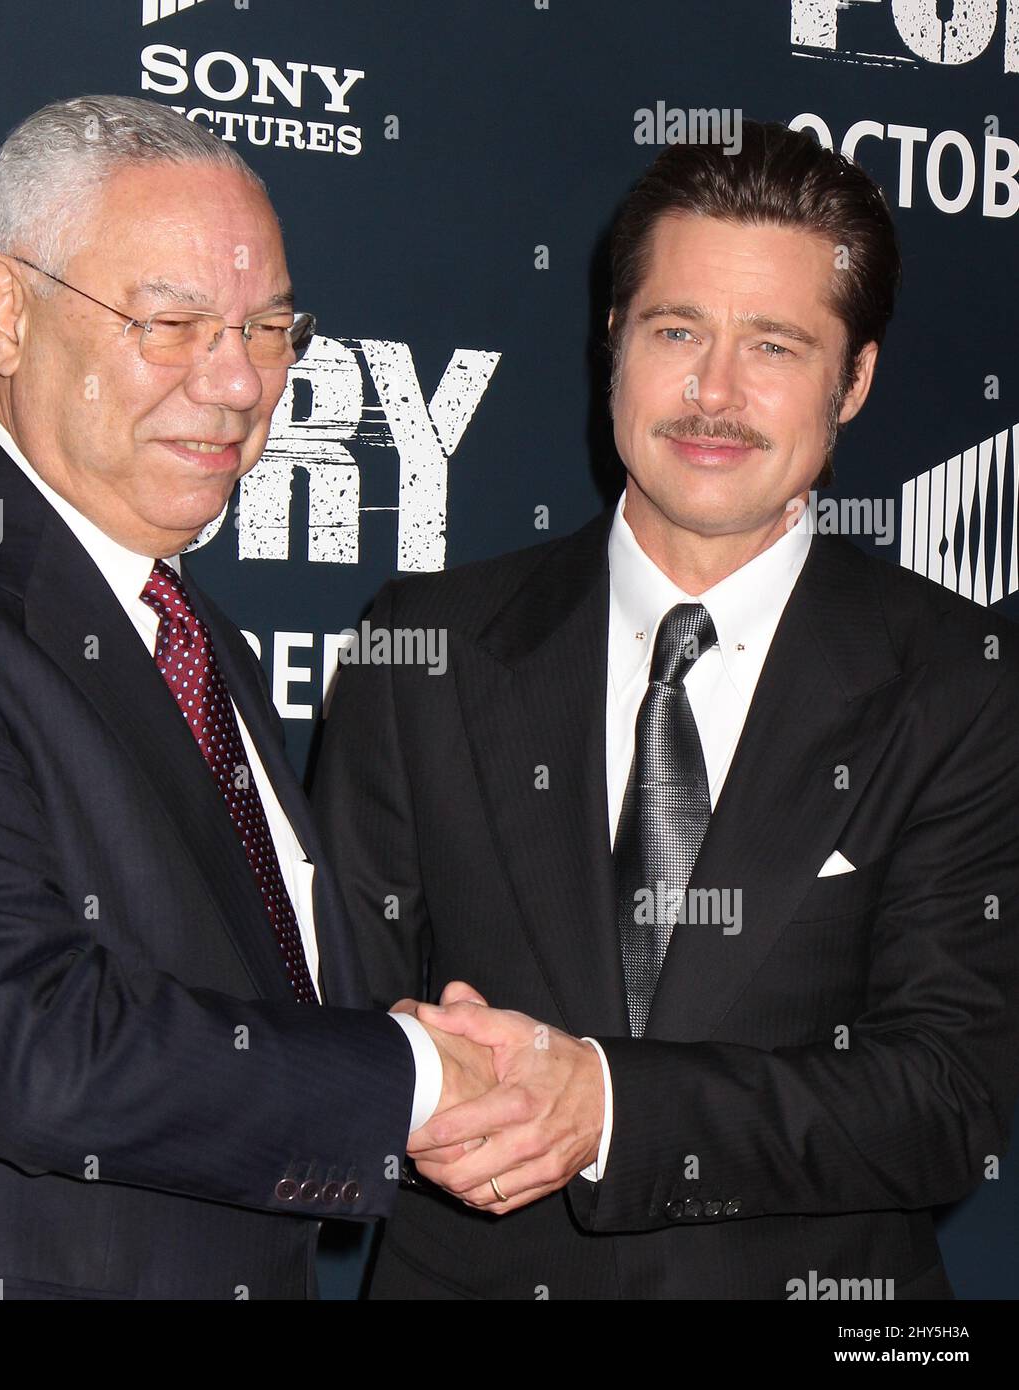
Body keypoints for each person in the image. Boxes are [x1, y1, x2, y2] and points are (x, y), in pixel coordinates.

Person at [0, 94, 495, 1301]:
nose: (236, 384)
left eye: (268, 328)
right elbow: (28, 1048)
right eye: (171, 323)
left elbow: (236, 994)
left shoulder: (188, 630)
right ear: (6, 312)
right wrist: (413, 1077)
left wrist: (423, 1043)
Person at [314, 120, 1019, 1299]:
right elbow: (332, 1021)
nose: (712, 393)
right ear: (613, 345)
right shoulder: (419, 646)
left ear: (853, 380)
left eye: (775, 347)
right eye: (675, 330)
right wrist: (427, 1085)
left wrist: (605, 1105)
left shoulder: (965, 681)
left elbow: (947, 1100)